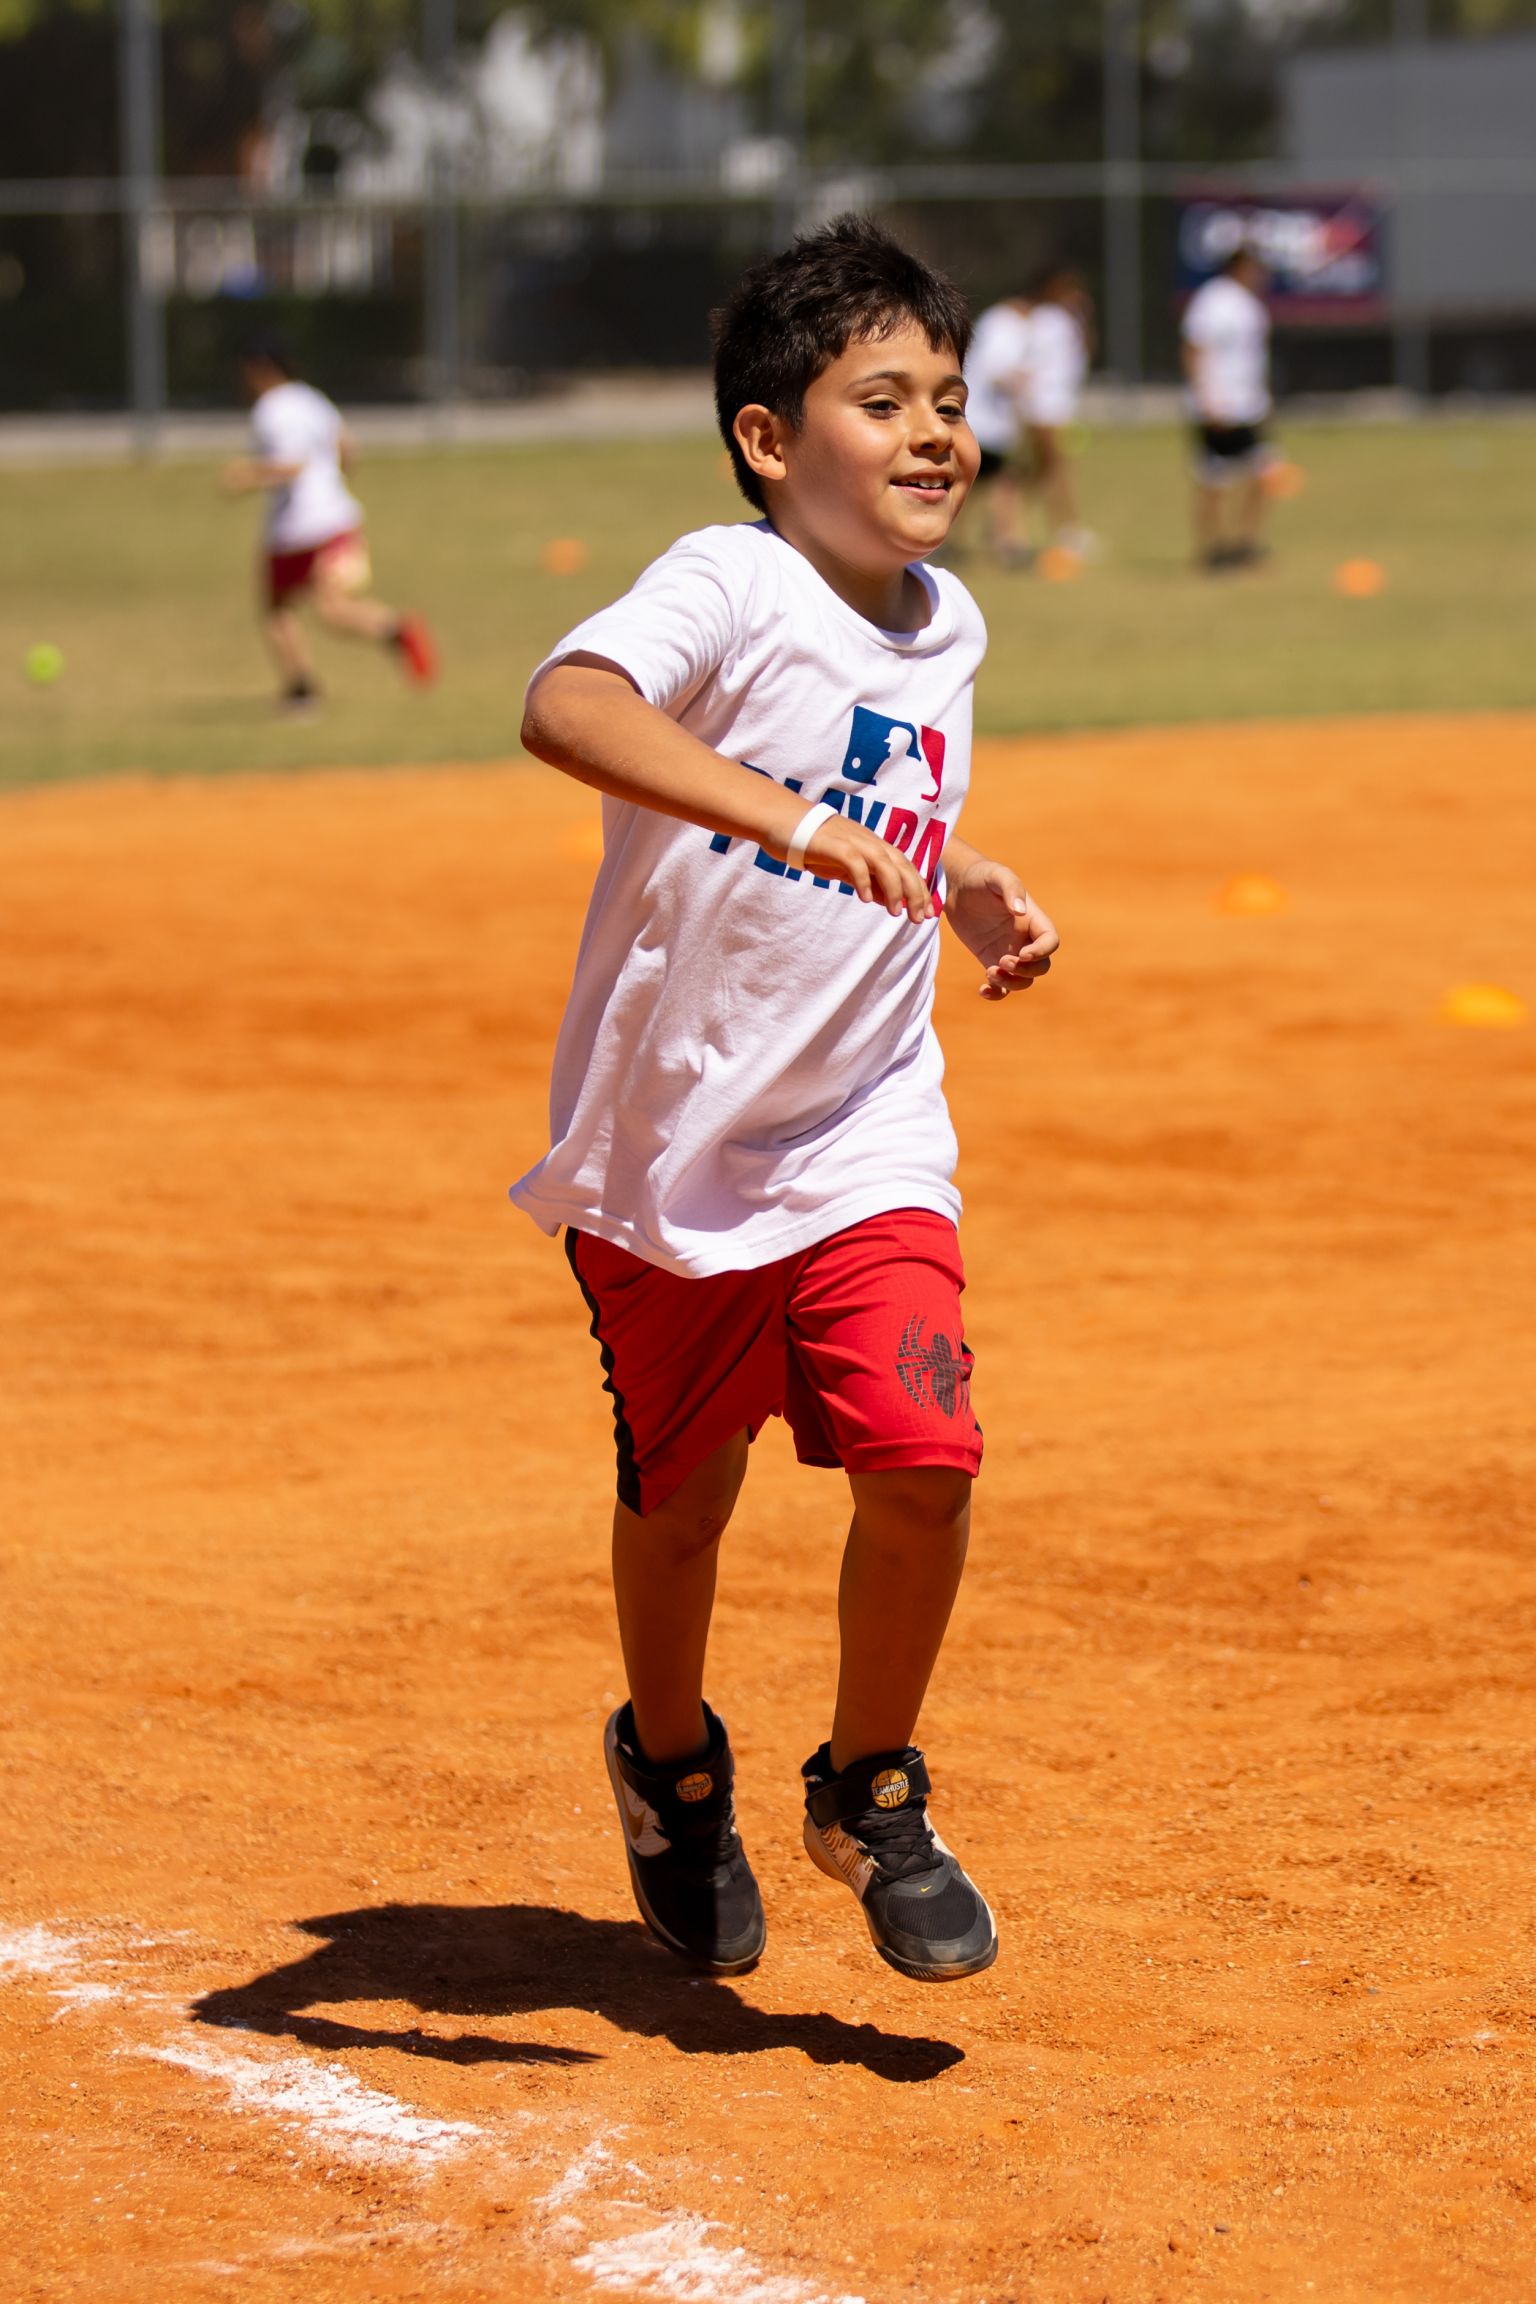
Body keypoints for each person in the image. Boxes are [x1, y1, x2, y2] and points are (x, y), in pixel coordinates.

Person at [513, 215, 1060, 1984]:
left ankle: (869, 1780)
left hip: (864, 1125)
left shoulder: (948, 613)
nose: (933, 434)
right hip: (673, 1145)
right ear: (769, 437)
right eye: (880, 397)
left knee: (926, 1461)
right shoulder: (728, 580)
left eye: (950, 400)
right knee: (684, 1497)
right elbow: (567, 699)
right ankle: (668, 1762)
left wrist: (954, 867)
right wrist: (790, 821)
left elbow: (869, 778)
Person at [222, 340, 437, 711]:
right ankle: (393, 633)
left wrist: (246, 475)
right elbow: (347, 445)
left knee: (286, 610)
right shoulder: (310, 398)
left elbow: (290, 465)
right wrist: (333, 483)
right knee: (322, 608)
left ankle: (303, 689)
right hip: (333, 517)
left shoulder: (271, 410)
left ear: (261, 369)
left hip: (295, 528)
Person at [1181, 243, 1275, 571]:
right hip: (1219, 405)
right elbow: (1194, 348)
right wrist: (1207, 399)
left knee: (1266, 473)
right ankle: (1213, 549)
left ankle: (1245, 543)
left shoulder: (1250, 305)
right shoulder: (1213, 300)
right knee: (1214, 480)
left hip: (1248, 405)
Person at [1016, 261, 1096, 562]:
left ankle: (1009, 516)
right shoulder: (1045, 320)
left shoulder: (1068, 320)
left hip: (1060, 405)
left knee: (1040, 470)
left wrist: (1086, 318)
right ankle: (1067, 531)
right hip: (1044, 406)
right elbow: (1029, 363)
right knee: (1056, 469)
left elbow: (1085, 353)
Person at [959, 285, 1035, 563]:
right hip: (986, 424)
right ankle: (1008, 544)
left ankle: (958, 541)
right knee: (1002, 482)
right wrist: (1022, 383)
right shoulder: (1005, 326)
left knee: (977, 484)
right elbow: (997, 372)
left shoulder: (994, 322)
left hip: (984, 422)